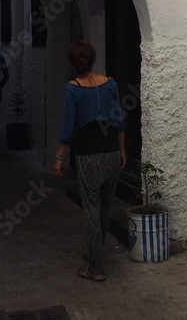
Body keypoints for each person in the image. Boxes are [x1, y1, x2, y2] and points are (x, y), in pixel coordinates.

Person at [52, 39, 126, 282]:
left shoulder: (72, 88)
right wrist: (122, 151)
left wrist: (59, 158)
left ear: (73, 63)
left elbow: (67, 128)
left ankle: (95, 267)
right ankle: (92, 249)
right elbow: (119, 121)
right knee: (105, 206)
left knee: (92, 208)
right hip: (111, 150)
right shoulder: (111, 83)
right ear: (93, 59)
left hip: (88, 153)